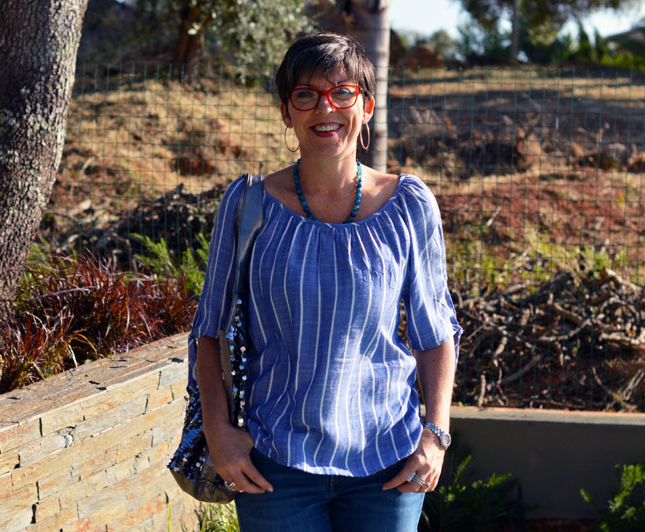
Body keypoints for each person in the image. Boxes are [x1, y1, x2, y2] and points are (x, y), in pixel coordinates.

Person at [187, 32, 462, 532]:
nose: (324, 108)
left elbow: (435, 333)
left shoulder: (410, 206)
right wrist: (219, 431)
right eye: (306, 95)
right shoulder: (248, 204)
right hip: (275, 463)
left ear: (367, 107)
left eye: (342, 92)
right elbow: (209, 331)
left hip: (388, 462)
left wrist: (436, 435)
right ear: (287, 111)